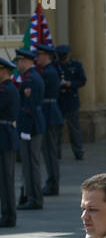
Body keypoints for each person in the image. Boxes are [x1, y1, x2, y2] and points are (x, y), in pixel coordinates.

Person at [14, 48, 45, 210]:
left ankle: (34, 198)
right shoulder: (30, 77)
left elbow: (29, 108)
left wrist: (25, 130)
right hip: (31, 126)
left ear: (26, 62)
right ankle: (29, 195)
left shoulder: (30, 80)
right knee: (29, 163)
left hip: (31, 127)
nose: (17, 64)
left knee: (31, 164)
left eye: (19, 61)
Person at [35, 43, 63, 196]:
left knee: (49, 152)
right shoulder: (48, 71)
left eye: (39, 55)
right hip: (50, 113)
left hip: (50, 114)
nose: (37, 58)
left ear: (46, 56)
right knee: (49, 152)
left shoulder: (49, 73)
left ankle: (53, 184)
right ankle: (52, 183)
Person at [56, 44, 86, 161]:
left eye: (64, 56)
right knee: (57, 129)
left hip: (71, 100)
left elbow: (82, 80)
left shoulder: (76, 65)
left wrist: (71, 84)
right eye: (60, 56)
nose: (62, 58)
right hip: (59, 101)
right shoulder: (56, 66)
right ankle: (56, 153)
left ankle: (78, 152)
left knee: (74, 129)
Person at [0, 57, 19, 227]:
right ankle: (6, 213)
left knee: (7, 179)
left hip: (5, 137)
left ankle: (9, 216)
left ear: (4, 71)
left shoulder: (7, 90)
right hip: (4, 136)